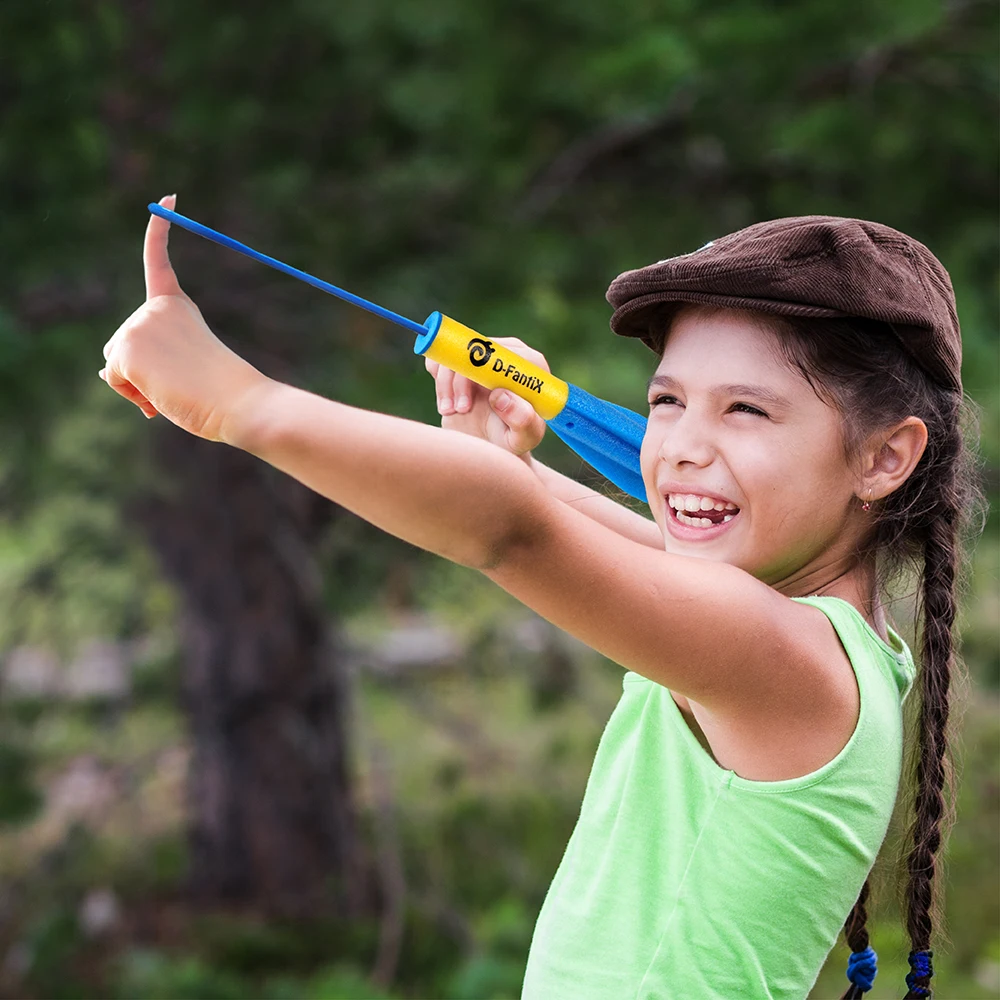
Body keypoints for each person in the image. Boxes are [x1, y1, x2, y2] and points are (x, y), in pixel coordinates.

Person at [101, 197, 980, 999]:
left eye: (745, 410)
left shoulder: (786, 659)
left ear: (883, 459)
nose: (680, 446)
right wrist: (493, 461)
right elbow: (545, 515)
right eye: (666, 400)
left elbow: (510, 532)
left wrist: (236, 402)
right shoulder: (792, 629)